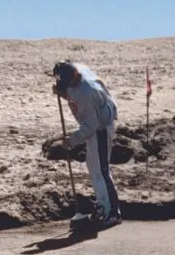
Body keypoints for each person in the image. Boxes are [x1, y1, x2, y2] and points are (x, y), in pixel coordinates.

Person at [52, 61, 122, 229]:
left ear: (75, 76)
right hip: (98, 120)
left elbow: (89, 127)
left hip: (101, 128)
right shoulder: (78, 70)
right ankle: (104, 205)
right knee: (94, 167)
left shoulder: (86, 92)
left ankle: (112, 213)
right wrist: (62, 91)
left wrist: (72, 141)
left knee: (100, 171)